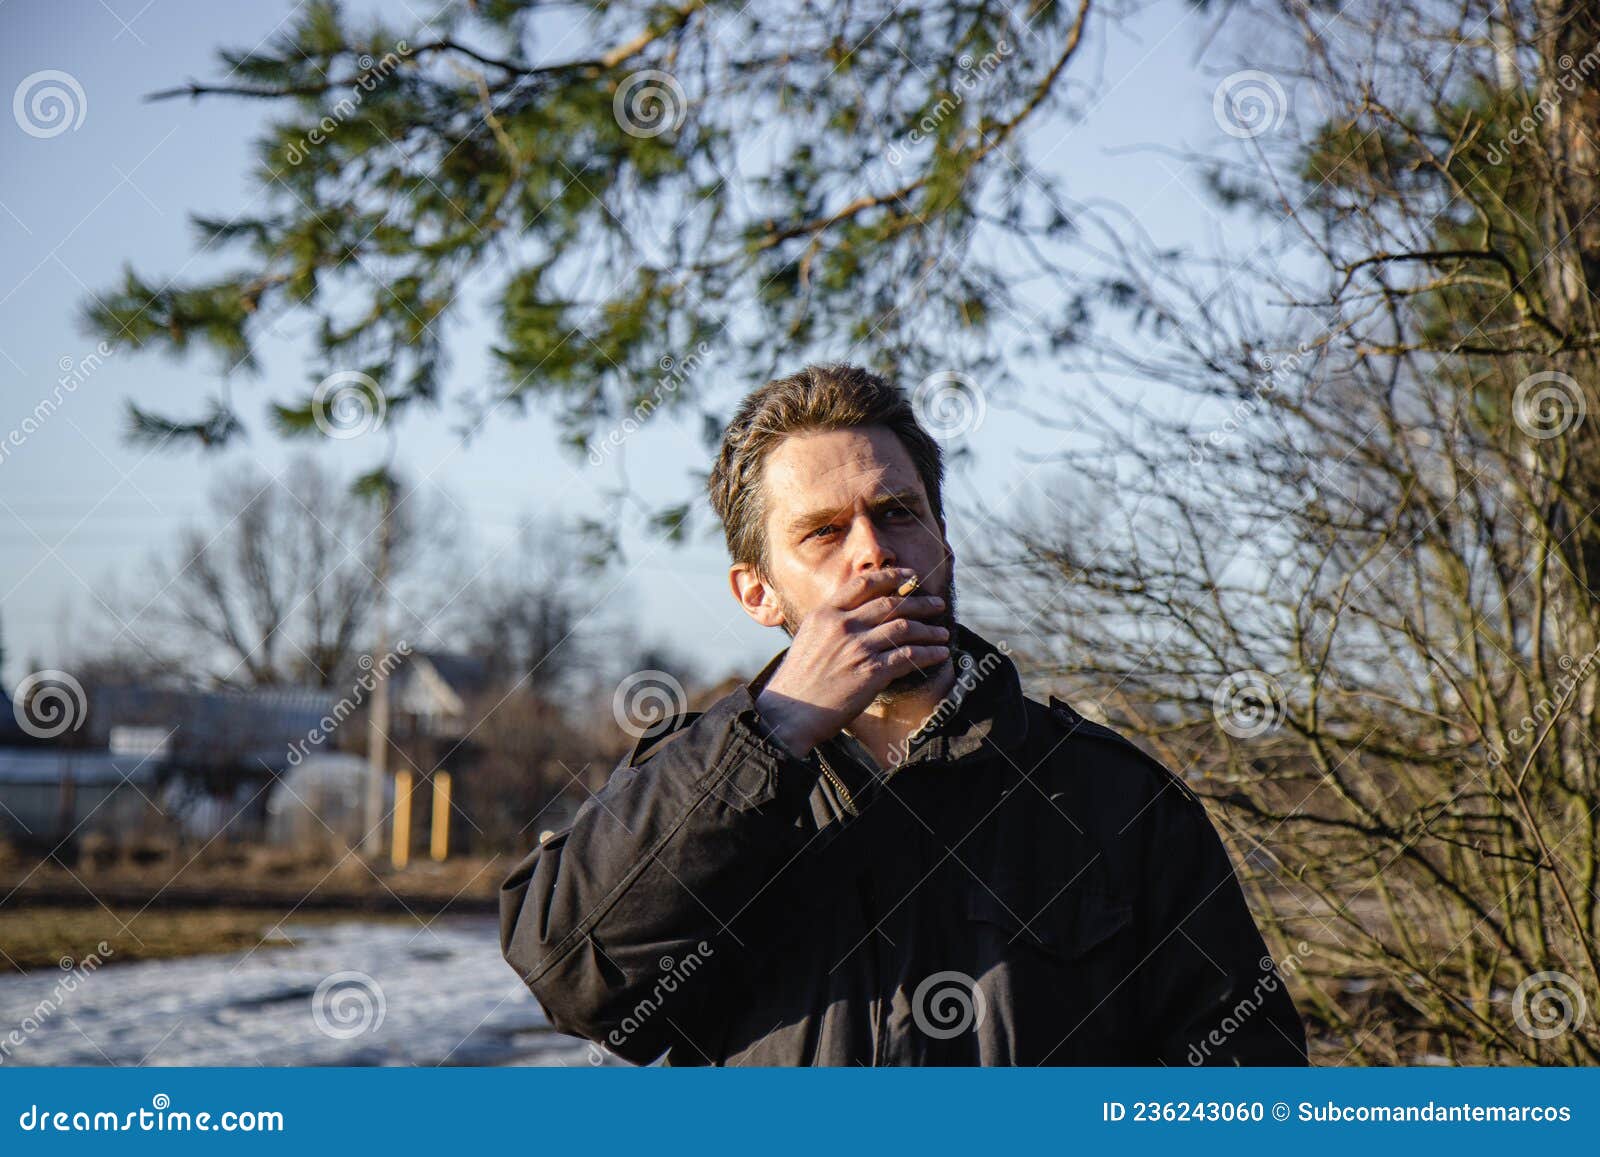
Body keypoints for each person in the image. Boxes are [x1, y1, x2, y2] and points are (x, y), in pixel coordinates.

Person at [499, 362, 1308, 1066]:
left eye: (896, 513)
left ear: (942, 538)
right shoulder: (691, 783)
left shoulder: (1114, 799)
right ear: (757, 590)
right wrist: (773, 732)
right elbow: (573, 978)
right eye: (822, 533)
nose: (874, 553)